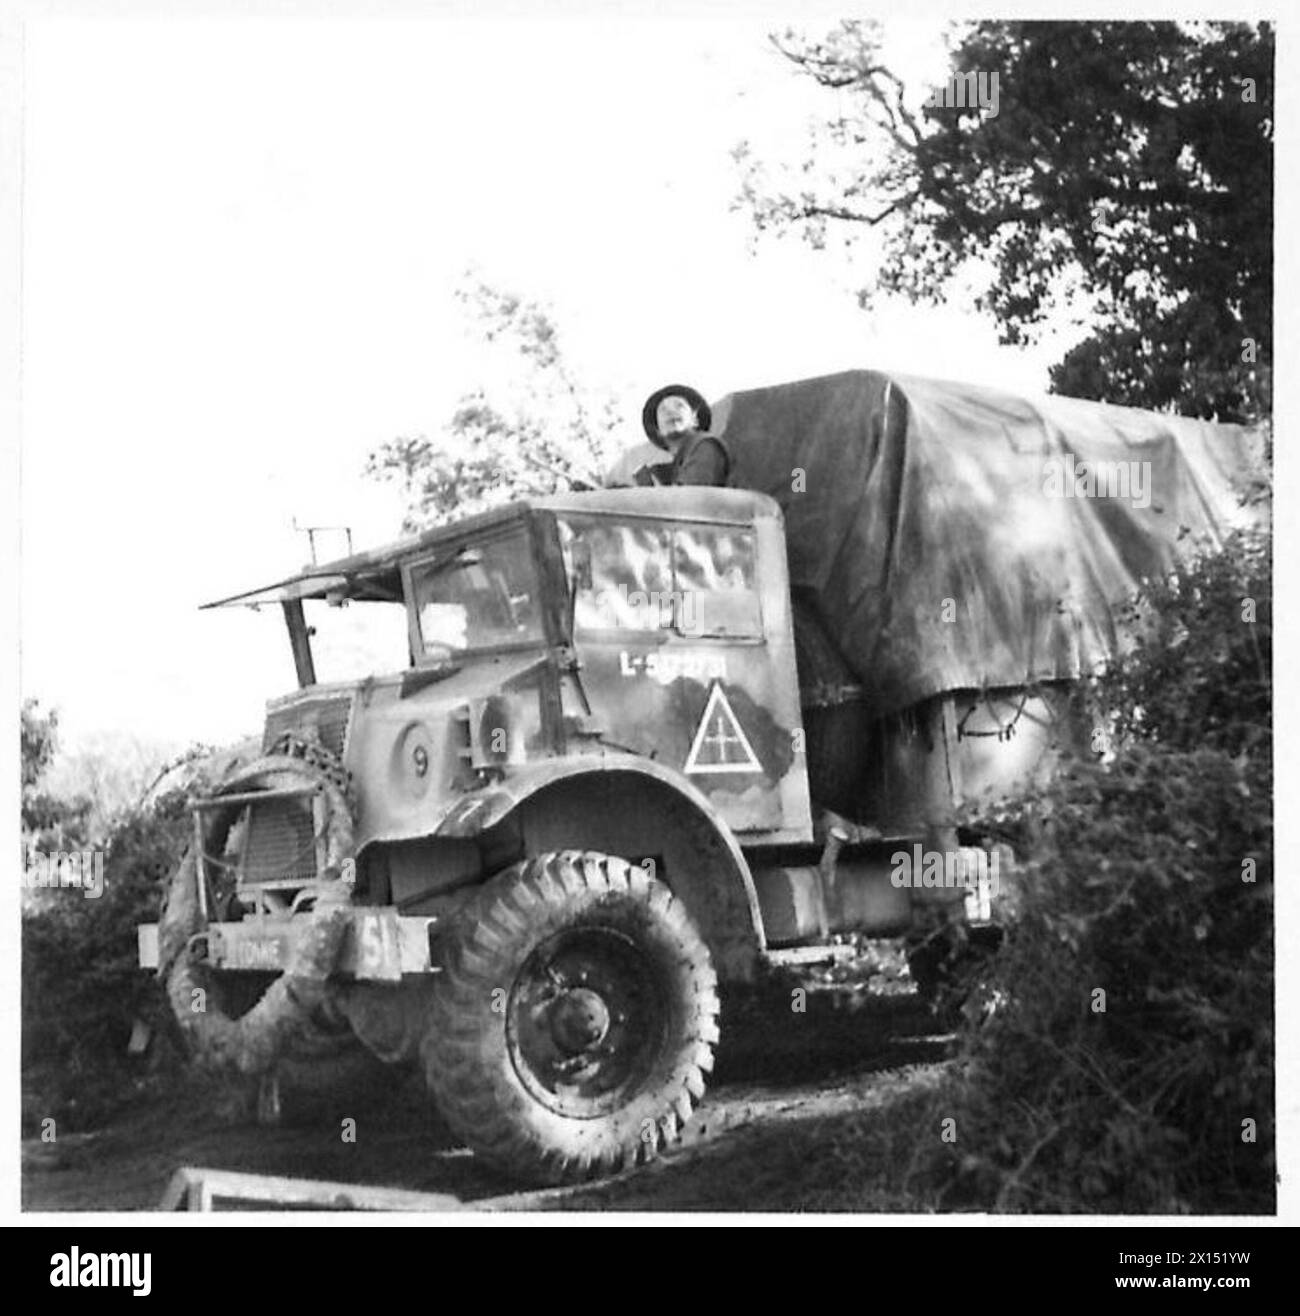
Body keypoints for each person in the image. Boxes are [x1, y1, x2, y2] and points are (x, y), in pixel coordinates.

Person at [632, 383, 730, 486]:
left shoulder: (706, 445)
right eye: (663, 410)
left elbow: (688, 497)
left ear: (695, 420)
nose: (671, 411)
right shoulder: (673, 467)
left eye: (679, 406)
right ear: (657, 430)